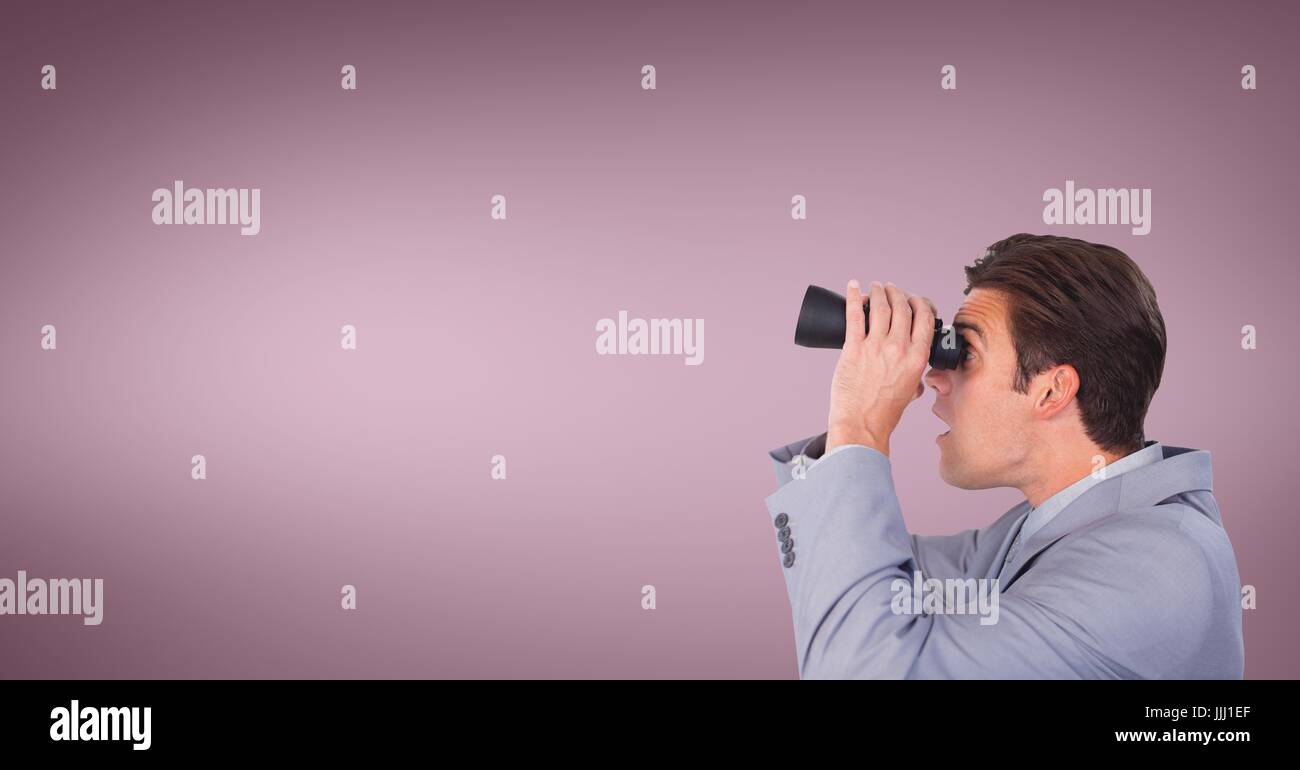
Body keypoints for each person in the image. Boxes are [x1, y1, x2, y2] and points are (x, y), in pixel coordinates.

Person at [765, 233, 1244, 678]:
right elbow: (865, 570)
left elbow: (862, 665)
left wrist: (862, 426)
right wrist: (847, 433)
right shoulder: (1043, 529)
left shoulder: (1156, 564)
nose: (934, 376)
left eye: (964, 353)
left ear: (1051, 390)